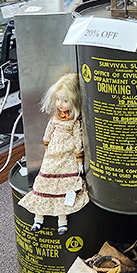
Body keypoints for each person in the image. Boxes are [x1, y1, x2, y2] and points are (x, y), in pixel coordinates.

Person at [18, 72, 88, 234]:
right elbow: (48, 133)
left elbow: (78, 140)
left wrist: (79, 161)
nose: (60, 104)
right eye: (58, 100)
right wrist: (47, 146)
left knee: (63, 188)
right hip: (52, 155)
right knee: (44, 182)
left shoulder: (74, 122)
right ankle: (38, 218)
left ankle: (62, 221)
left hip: (67, 155)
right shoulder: (56, 118)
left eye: (65, 101)